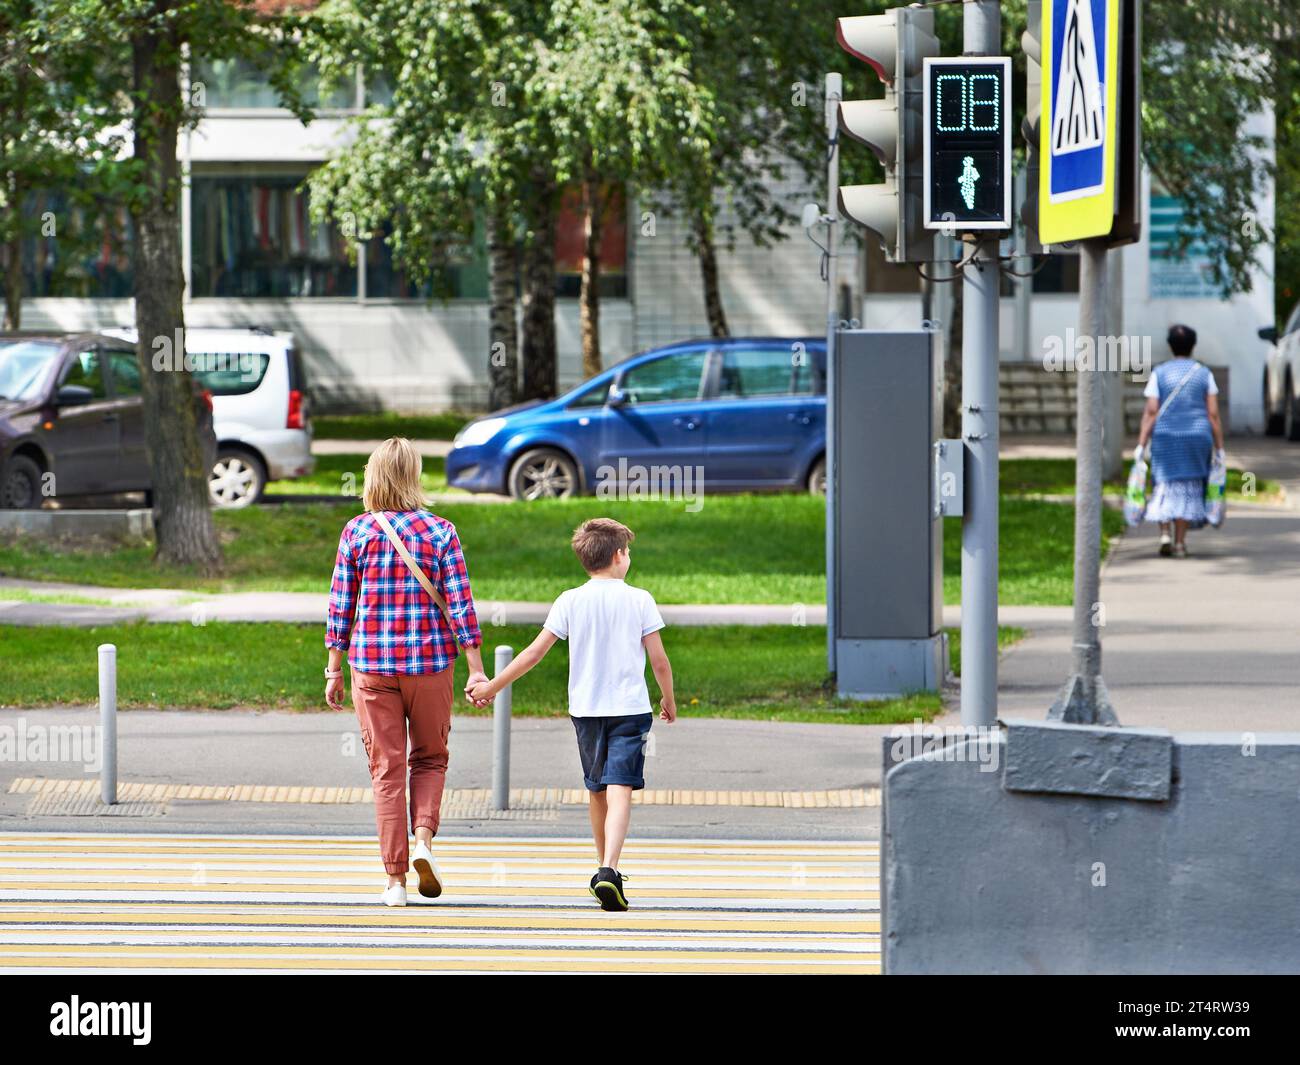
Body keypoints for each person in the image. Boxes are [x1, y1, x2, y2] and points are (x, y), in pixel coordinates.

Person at [468, 518, 677, 912]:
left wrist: (493, 687)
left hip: (586, 711)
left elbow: (533, 653)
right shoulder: (640, 599)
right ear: (618, 556)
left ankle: (603, 868)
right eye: (628, 551)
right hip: (630, 709)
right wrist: (668, 698)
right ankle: (609, 869)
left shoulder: (569, 599)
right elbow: (659, 660)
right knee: (621, 788)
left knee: (597, 789)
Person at [324, 437, 488, 907]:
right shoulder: (441, 532)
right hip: (431, 666)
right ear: (413, 476)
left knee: (387, 770)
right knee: (431, 758)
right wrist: (476, 669)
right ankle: (424, 843)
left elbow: (341, 605)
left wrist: (334, 668)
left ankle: (395, 881)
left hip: (372, 668)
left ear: (373, 477)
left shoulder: (356, 532)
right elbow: (461, 605)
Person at [1135, 324, 1225, 558]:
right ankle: (1180, 544)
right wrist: (1220, 446)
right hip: (1197, 436)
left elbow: (1152, 411)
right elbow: (1213, 414)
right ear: (1193, 346)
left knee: (1163, 483)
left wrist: (1141, 443)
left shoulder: (1160, 373)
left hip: (1165, 436)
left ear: (1170, 346)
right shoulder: (1204, 374)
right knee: (1188, 487)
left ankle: (1164, 533)